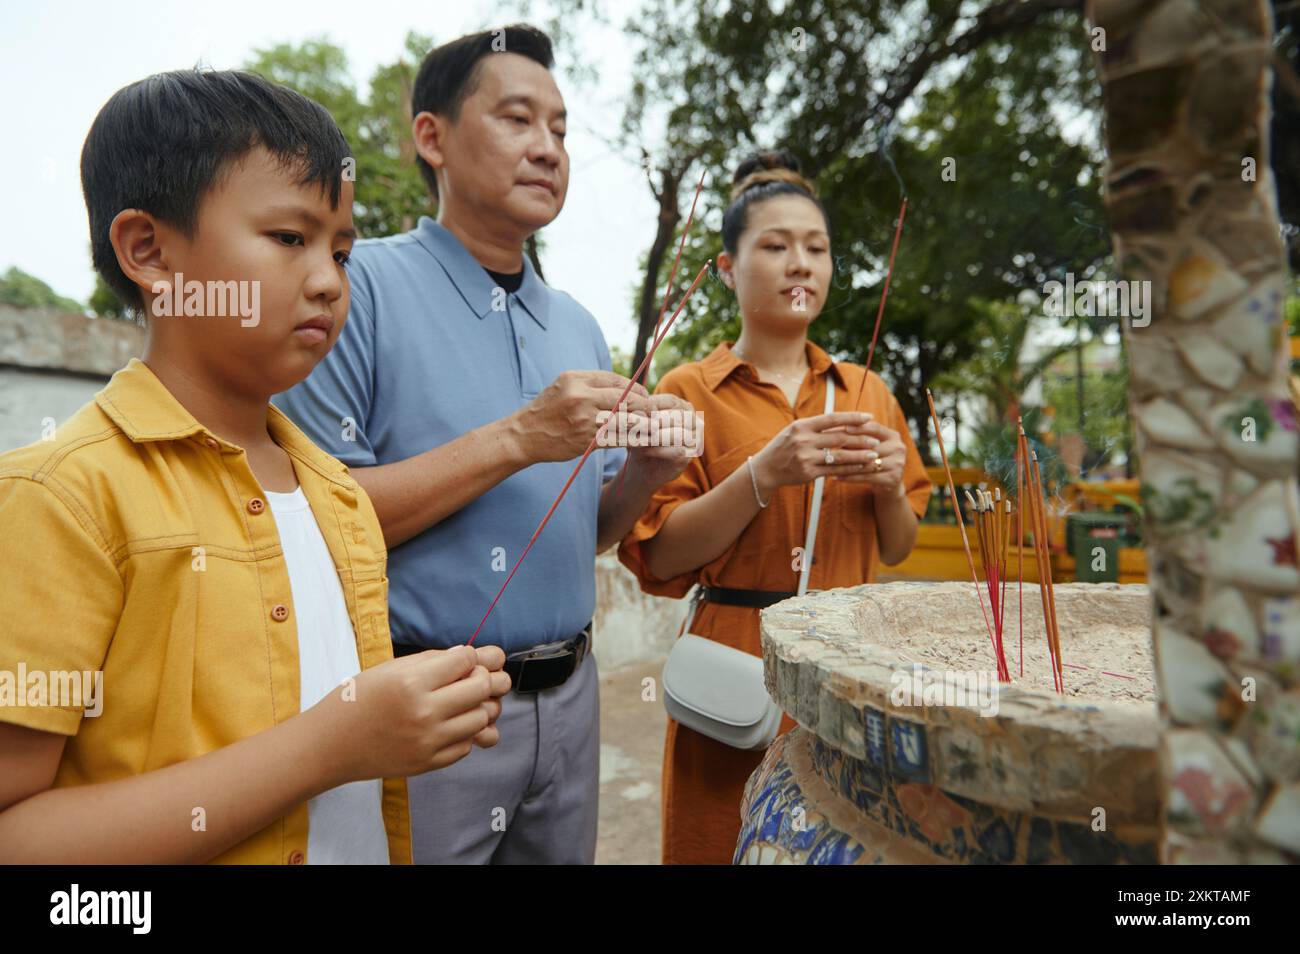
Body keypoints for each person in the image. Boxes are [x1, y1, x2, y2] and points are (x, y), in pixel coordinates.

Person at [0, 69, 509, 864]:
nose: (329, 282)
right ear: (149, 251)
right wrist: (334, 742)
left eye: (342, 252)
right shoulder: (64, 498)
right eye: (289, 239)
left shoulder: (337, 495)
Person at [275, 24, 697, 864]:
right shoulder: (355, 292)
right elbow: (317, 526)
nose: (547, 149)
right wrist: (520, 437)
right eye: (516, 119)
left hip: (572, 699)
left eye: (561, 130)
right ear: (430, 136)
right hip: (428, 701)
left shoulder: (579, 325)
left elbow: (594, 533)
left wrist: (647, 472)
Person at [618, 150, 933, 865]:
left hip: (851, 668)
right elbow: (661, 555)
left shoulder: (867, 393)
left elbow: (898, 545)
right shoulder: (689, 389)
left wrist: (887, 485)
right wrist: (762, 474)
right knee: (719, 844)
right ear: (728, 267)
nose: (801, 263)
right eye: (776, 245)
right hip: (735, 669)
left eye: (816, 248)